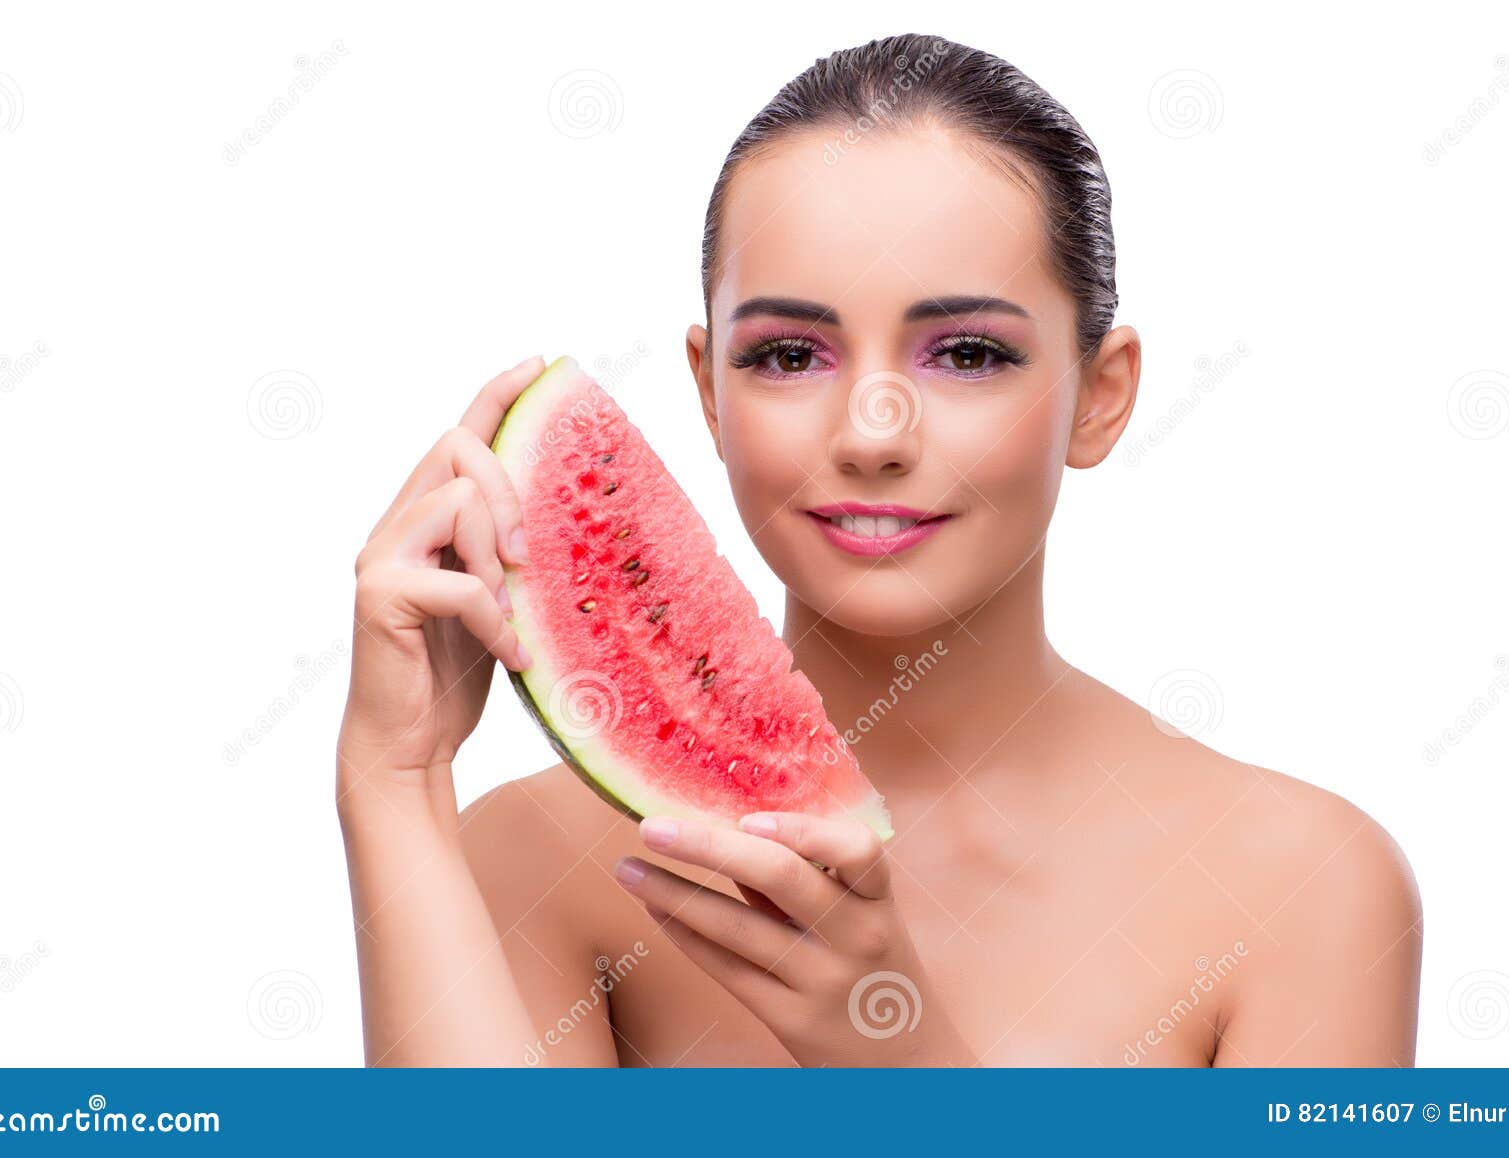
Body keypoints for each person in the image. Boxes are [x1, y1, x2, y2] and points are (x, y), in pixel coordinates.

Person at [336, 33, 1422, 1066]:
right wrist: (391, 780)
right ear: (708, 395)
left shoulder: (1308, 888)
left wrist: (900, 1065)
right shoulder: (543, 860)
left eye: (967, 352)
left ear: (1100, 396)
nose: (871, 433)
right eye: (789, 354)